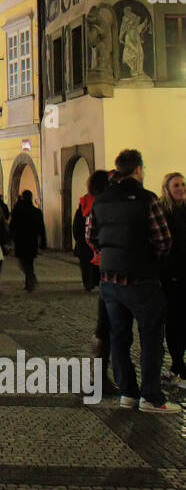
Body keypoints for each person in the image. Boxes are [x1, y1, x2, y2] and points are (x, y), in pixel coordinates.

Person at [86, 147, 180, 414]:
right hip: (141, 280)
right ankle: (150, 396)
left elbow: (90, 237)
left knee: (118, 337)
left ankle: (128, 392)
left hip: (109, 281)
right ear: (138, 170)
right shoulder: (146, 199)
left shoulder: (101, 200)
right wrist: (150, 258)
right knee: (151, 337)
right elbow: (163, 241)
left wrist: (109, 255)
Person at [159, 171, 186, 393]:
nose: (181, 188)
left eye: (183, 184)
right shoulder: (164, 213)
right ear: (167, 189)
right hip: (172, 276)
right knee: (174, 322)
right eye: (176, 185)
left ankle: (179, 365)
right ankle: (178, 364)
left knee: (183, 322)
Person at [73, 170, 110, 291]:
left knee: (86, 265)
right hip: (103, 241)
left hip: (85, 240)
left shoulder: (85, 201)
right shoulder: (109, 201)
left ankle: (88, 283)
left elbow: (77, 223)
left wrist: (78, 238)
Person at [9, 190, 47, 291]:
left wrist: (10, 238)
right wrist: (43, 242)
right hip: (32, 240)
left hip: (20, 240)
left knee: (22, 262)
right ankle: (29, 280)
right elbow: (41, 228)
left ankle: (30, 278)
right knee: (29, 261)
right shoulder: (36, 212)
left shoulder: (17, 211)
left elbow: (12, 225)